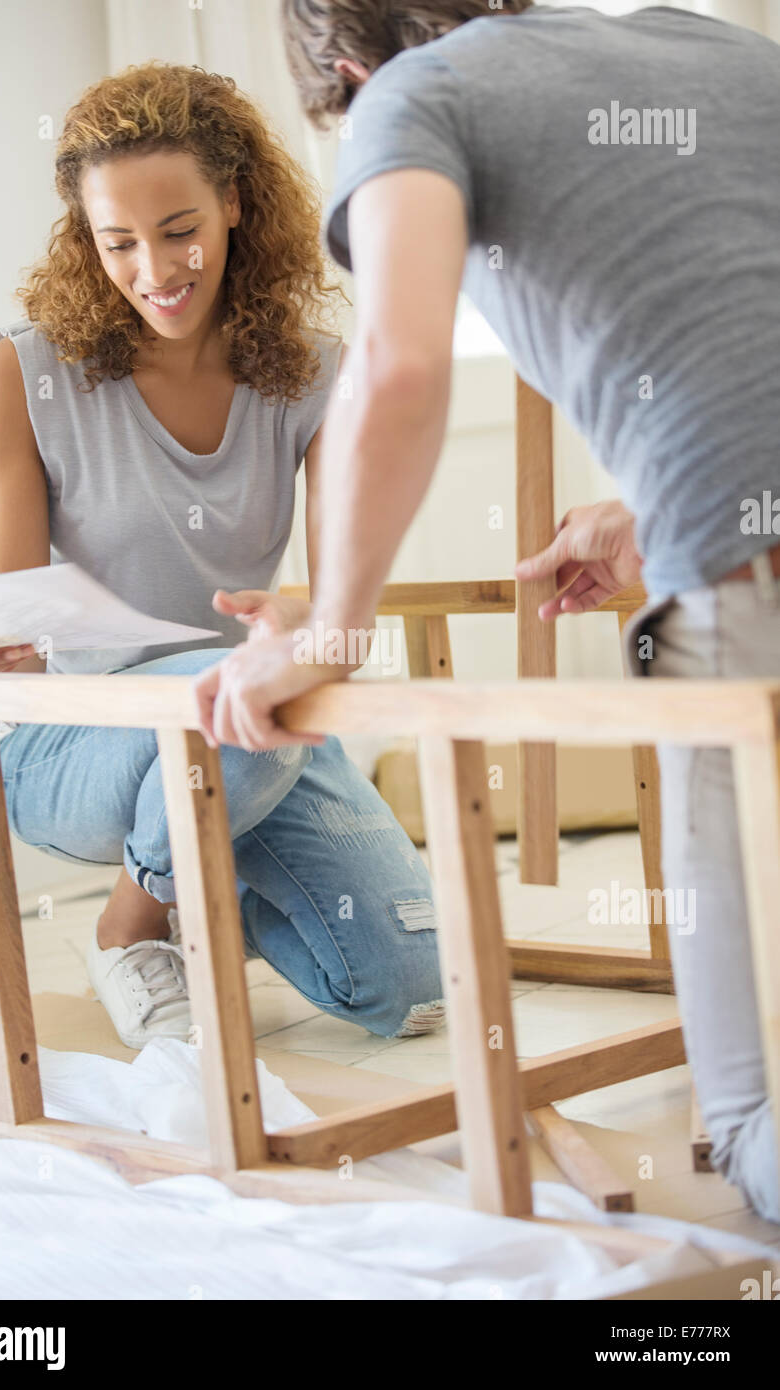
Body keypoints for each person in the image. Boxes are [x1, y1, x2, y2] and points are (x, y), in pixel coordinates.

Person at [194, 2, 780, 1222]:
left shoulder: (413, 97)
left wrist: (331, 628)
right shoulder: (705, 41)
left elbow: (398, 365)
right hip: (735, 528)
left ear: (347, 69)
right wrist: (648, 504)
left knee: (747, 1119)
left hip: (741, 578)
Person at [0, 61, 445, 1051]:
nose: (154, 273)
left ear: (236, 202)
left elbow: (330, 606)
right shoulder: (21, 377)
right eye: (118, 242)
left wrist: (300, 618)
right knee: (231, 689)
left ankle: (205, 883)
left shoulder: (312, 375)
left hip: (250, 719)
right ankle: (132, 929)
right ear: (87, 239)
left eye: (179, 232)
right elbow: (11, 626)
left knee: (409, 990)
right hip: (72, 743)